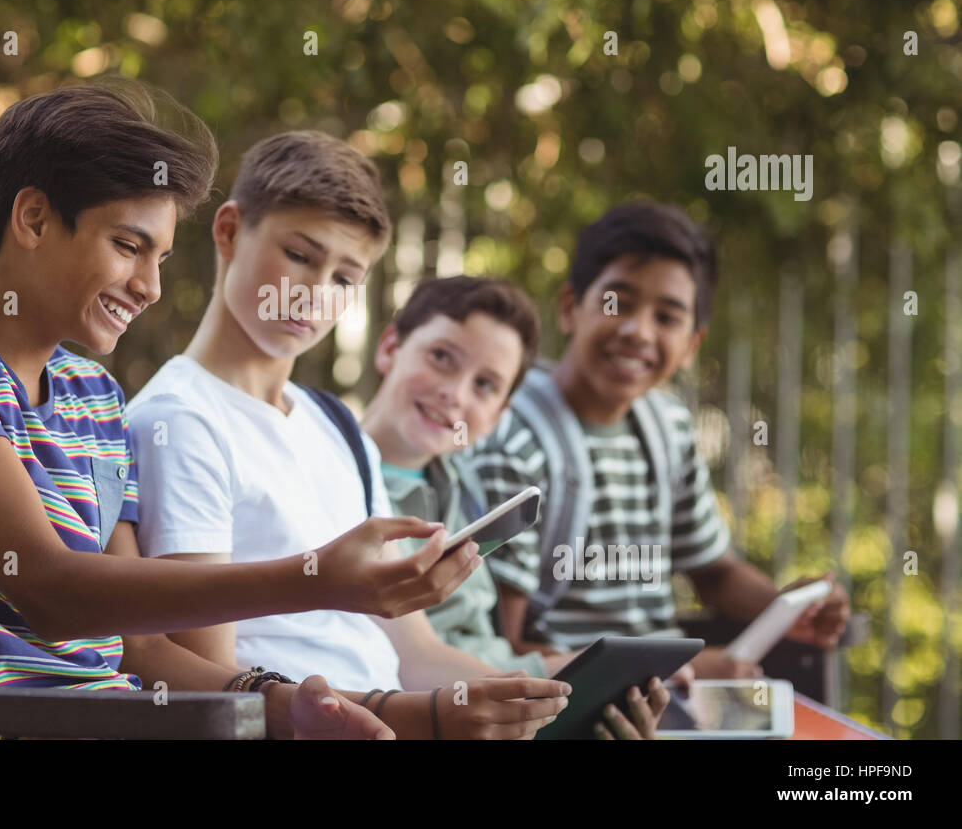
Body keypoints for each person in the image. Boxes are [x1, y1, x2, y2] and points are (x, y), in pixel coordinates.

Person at [0, 79, 471, 739]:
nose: (150, 287)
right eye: (129, 247)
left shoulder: (94, 397)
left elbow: (143, 649)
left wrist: (288, 706)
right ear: (35, 219)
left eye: (158, 257)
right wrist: (318, 581)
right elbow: (49, 590)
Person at [128, 131, 571, 739]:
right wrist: (427, 718)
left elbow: (414, 652)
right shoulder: (180, 421)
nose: (313, 293)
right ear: (229, 231)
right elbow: (213, 679)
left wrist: (547, 706)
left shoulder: (337, 426)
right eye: (300, 256)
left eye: (344, 278)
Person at [465, 202, 851, 678]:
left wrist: (788, 610)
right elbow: (503, 651)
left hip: (666, 696)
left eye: (667, 317)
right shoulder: (514, 439)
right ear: (570, 308)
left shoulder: (667, 425)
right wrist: (694, 668)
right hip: (567, 702)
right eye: (618, 303)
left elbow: (714, 572)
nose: (637, 331)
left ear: (692, 345)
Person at [359, 274, 674, 739]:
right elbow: (415, 657)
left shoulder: (464, 488)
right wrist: (545, 690)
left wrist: (573, 672)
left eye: (485, 385)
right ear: (390, 346)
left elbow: (487, 645)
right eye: (441, 357)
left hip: (497, 690)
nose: (456, 393)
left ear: (498, 416)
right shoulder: (342, 479)